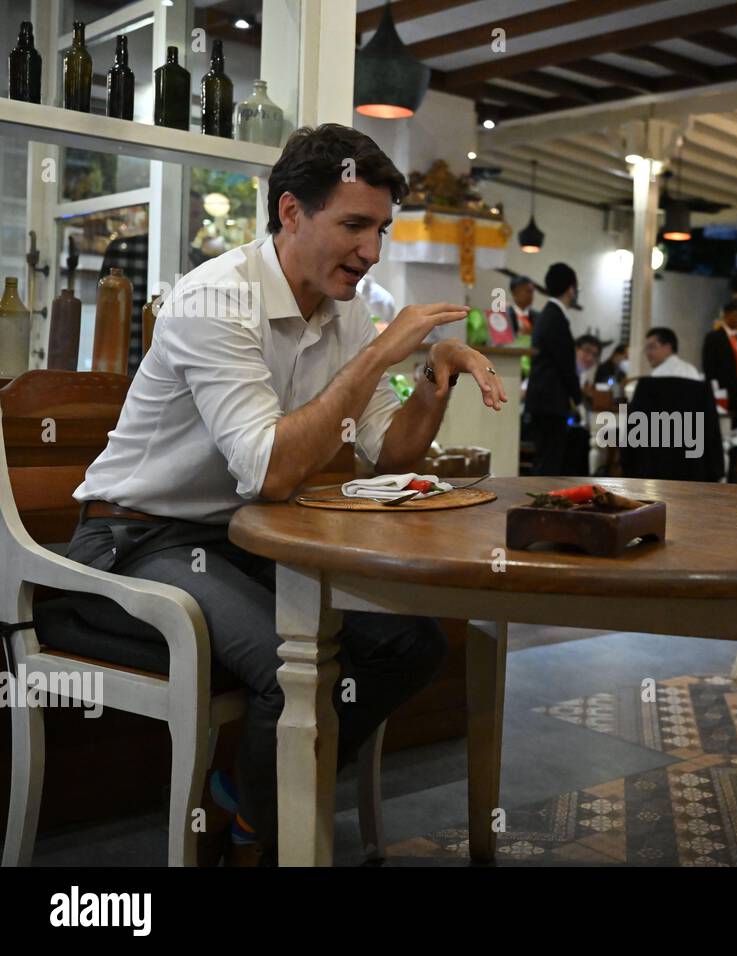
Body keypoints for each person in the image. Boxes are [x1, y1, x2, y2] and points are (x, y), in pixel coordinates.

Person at [67, 123, 507, 865]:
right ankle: (266, 843)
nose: (372, 251)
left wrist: (434, 376)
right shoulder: (215, 300)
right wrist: (377, 354)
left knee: (411, 643)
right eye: (355, 225)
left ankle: (252, 806)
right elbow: (269, 471)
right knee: (290, 669)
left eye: (381, 230)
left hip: (233, 541)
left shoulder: (344, 308)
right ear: (291, 212)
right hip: (131, 540)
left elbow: (385, 452)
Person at [525, 263, 584, 475]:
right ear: (571, 289)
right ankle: (542, 497)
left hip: (541, 400)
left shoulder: (547, 315)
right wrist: (578, 399)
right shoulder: (556, 318)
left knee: (545, 459)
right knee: (549, 462)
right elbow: (565, 365)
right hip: (550, 402)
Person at [702, 299, 737, 428]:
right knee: (722, 421)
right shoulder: (714, 337)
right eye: (736, 316)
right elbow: (708, 364)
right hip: (721, 386)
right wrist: (714, 386)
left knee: (736, 420)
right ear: (727, 315)